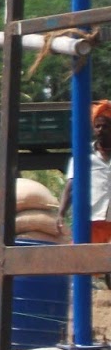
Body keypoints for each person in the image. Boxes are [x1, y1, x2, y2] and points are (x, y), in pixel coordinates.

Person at [60, 99, 111, 288]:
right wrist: (61, 213)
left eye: (105, 126)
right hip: (92, 218)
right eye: (97, 126)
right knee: (83, 262)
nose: (100, 130)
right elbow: (71, 185)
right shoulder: (84, 155)